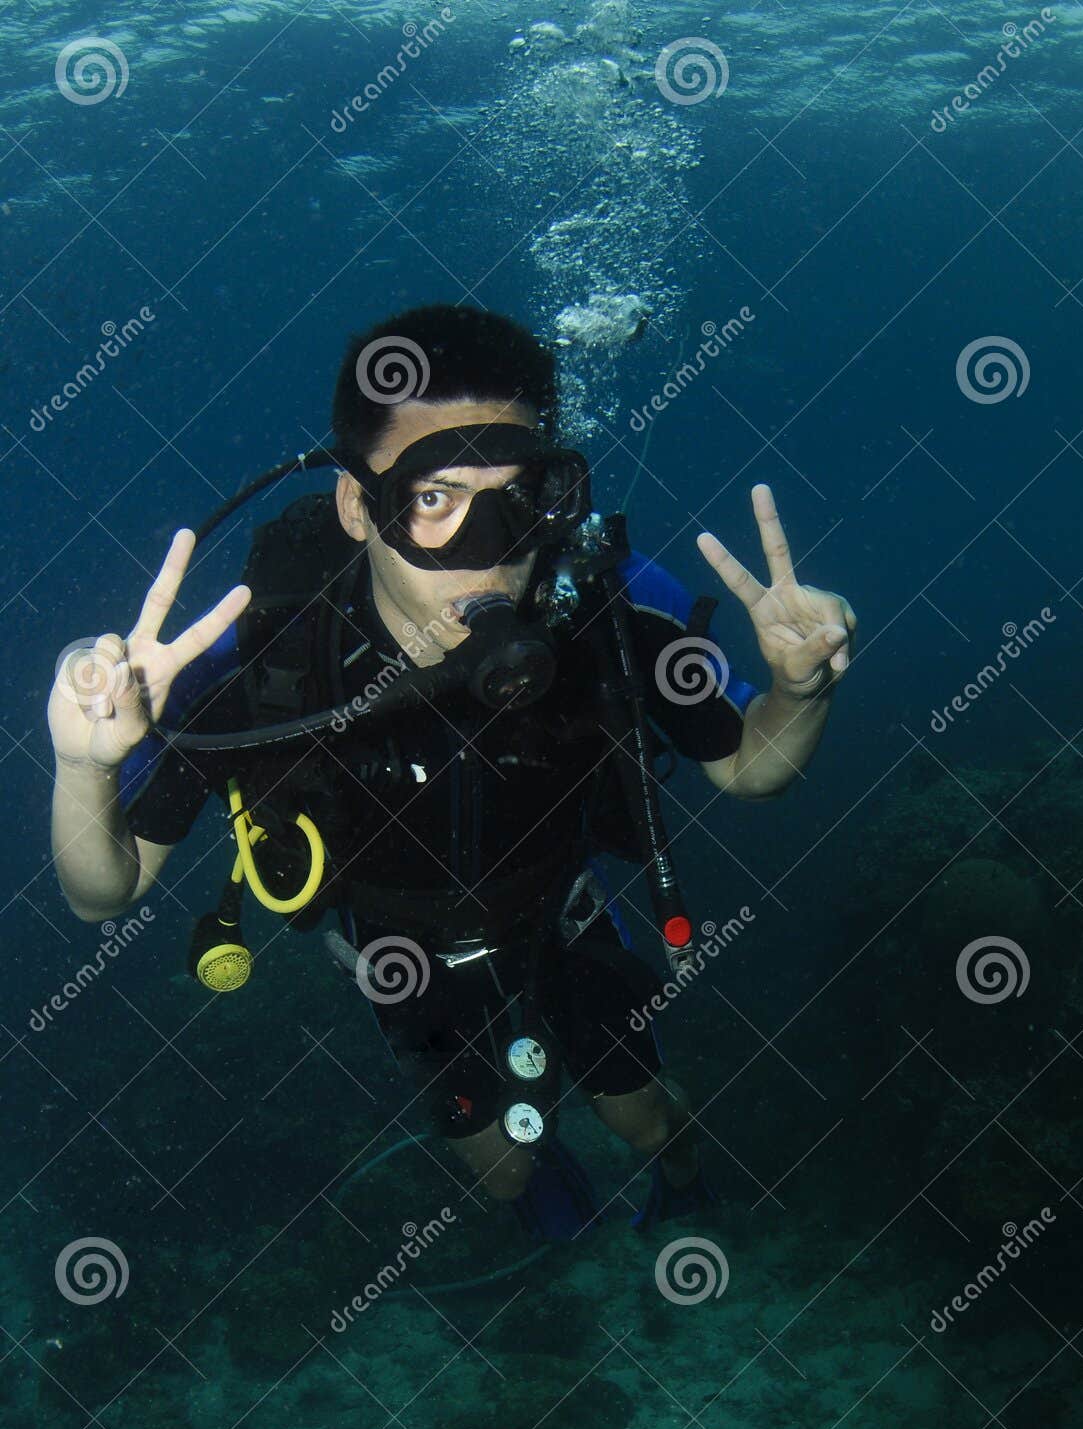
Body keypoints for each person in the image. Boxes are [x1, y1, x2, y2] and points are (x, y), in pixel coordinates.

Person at [48, 304, 856, 1237]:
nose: (489, 557)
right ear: (360, 504)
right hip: (399, 953)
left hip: (558, 902)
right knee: (504, 1175)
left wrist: (801, 693)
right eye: (433, 499)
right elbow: (103, 894)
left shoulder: (602, 601)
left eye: (518, 499)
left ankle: (679, 1175)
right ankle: (540, 1183)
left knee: (644, 1117)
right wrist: (82, 766)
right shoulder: (270, 658)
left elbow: (752, 769)